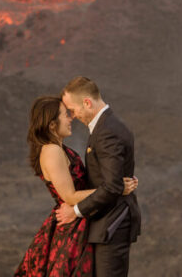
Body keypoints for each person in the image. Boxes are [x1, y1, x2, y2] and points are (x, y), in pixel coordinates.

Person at [15, 95, 138, 276]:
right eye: (65, 115)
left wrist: (118, 178)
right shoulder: (52, 151)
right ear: (52, 124)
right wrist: (116, 189)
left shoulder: (60, 148)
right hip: (71, 226)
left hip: (79, 220)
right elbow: (70, 197)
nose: (70, 118)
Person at [55, 77, 141, 277]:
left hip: (111, 224)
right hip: (105, 223)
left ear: (87, 102)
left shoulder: (107, 132)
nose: (73, 116)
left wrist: (75, 211)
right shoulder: (109, 125)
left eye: (73, 110)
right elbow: (114, 181)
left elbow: (111, 186)